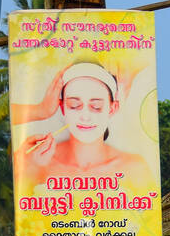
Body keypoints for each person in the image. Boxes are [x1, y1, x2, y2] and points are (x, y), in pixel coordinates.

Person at [14, 61, 152, 189]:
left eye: (96, 106)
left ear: (112, 108)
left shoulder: (134, 168)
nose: (85, 117)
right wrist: (29, 170)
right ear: (62, 107)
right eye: (74, 105)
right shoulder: (33, 163)